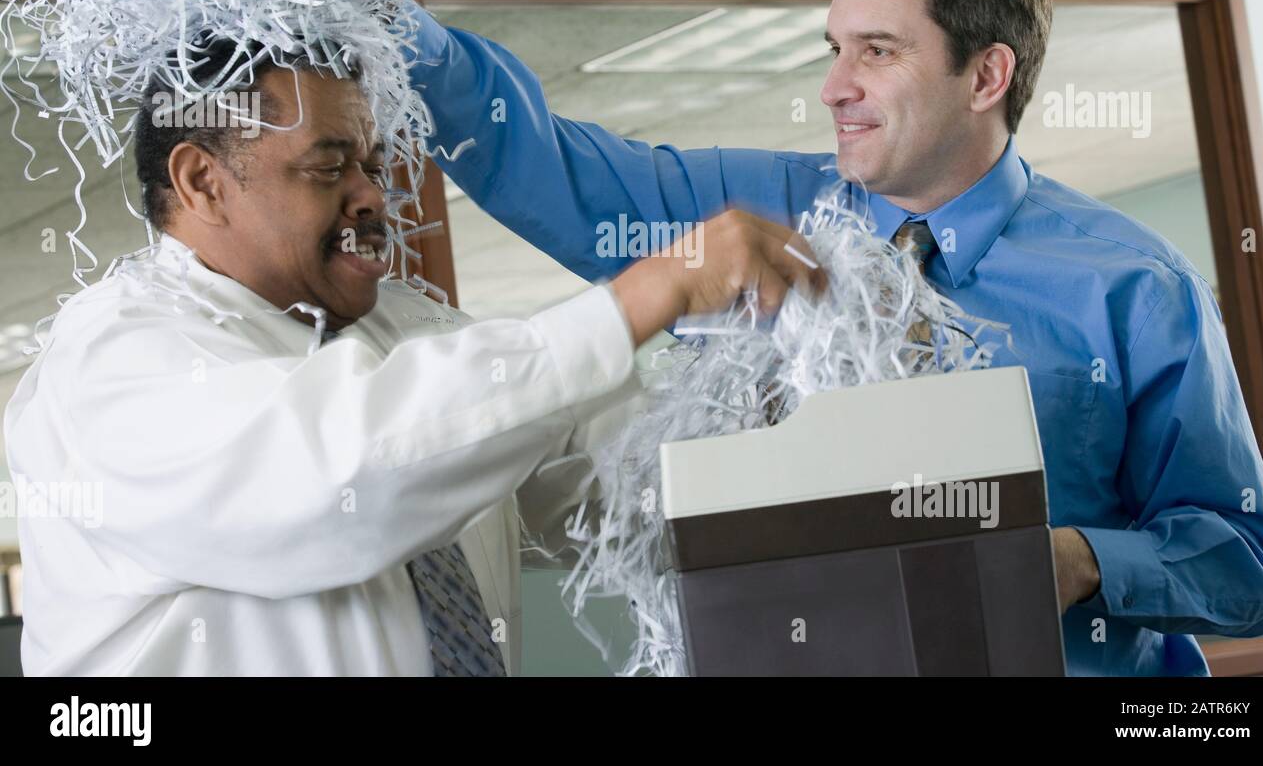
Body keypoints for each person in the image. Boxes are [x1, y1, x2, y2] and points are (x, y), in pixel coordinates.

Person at [399, 0, 1263, 676]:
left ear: (986, 77)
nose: (833, 87)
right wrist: (383, 24)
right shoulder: (754, 218)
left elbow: (1249, 568)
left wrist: (1081, 561)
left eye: (878, 51)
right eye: (835, 50)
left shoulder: (1137, 287)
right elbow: (547, 166)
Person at [3, 39, 823, 675]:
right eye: (329, 167)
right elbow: (341, 470)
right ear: (202, 182)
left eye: (371, 164)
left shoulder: (410, 329)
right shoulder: (115, 362)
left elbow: (600, 480)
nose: (371, 195)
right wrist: (642, 298)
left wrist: (794, 401)